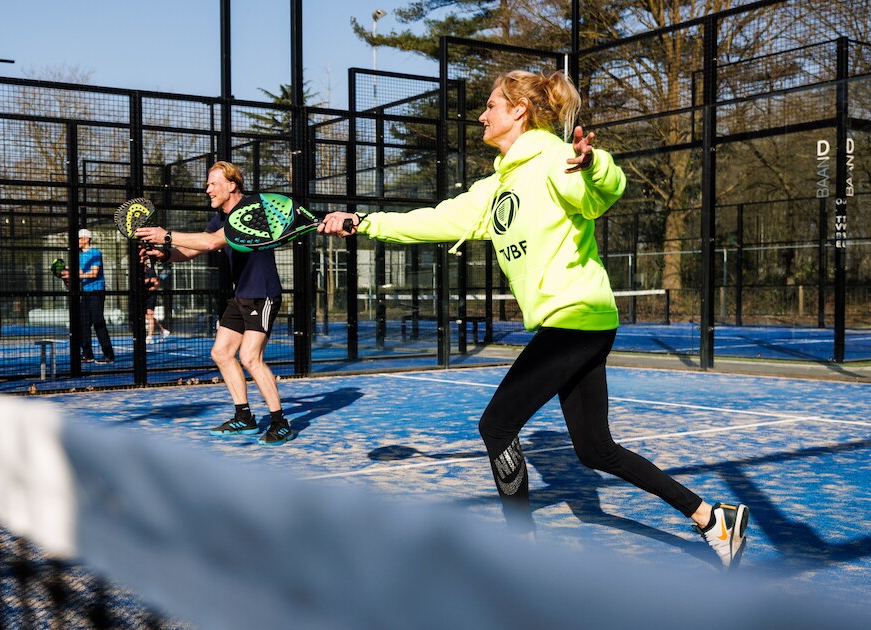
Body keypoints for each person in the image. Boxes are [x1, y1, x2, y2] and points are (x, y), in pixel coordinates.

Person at [318, 70, 750, 569]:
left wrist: (593, 166)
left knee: (496, 425)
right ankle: (713, 519)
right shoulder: (497, 184)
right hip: (574, 322)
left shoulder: (554, 158)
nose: (482, 115)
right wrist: (364, 221)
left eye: (491, 105)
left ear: (519, 110)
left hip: (577, 317)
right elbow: (436, 218)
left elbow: (603, 188)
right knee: (595, 450)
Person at [135, 161, 293, 446]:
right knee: (221, 353)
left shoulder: (252, 210)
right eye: (207, 184)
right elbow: (193, 248)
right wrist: (165, 253)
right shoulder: (221, 216)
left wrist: (165, 235)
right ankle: (244, 417)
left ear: (232, 185)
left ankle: (280, 422)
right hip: (240, 294)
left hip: (263, 294)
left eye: (212, 183)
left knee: (250, 358)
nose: (207, 189)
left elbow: (212, 243)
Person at [62, 228, 115, 364]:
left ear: (87, 239)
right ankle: (87, 354)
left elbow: (94, 273)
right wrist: (68, 277)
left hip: (96, 291)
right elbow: (80, 274)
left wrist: (74, 276)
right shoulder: (80, 256)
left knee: (98, 322)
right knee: (83, 323)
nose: (77, 241)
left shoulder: (95, 253)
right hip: (85, 292)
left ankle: (108, 355)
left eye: (79, 239)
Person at [144, 266, 171, 345]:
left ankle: (149, 337)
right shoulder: (137, 271)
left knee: (150, 313)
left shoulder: (151, 271)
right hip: (143, 295)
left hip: (151, 296)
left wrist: (151, 288)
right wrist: (149, 280)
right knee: (148, 316)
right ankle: (163, 330)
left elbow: (156, 284)